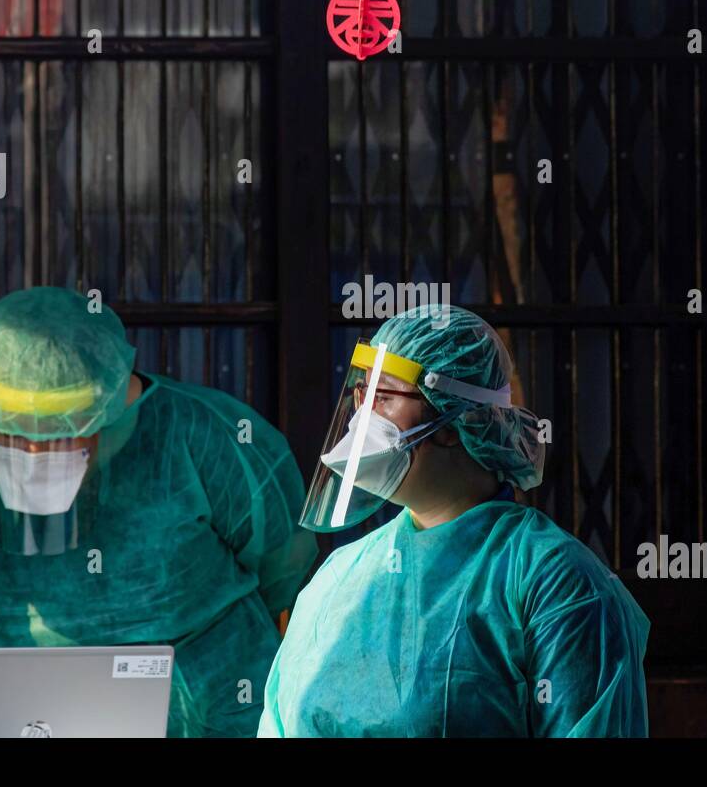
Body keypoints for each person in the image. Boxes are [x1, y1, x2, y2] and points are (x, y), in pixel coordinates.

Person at [0, 286, 317, 737]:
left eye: (56, 433)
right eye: (9, 436)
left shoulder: (198, 434)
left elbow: (281, 560)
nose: (32, 451)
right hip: (35, 707)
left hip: (206, 702)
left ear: (103, 406)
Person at [260, 305, 650, 737]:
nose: (361, 421)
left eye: (383, 398)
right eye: (361, 397)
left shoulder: (555, 581)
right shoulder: (339, 578)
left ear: (452, 417)